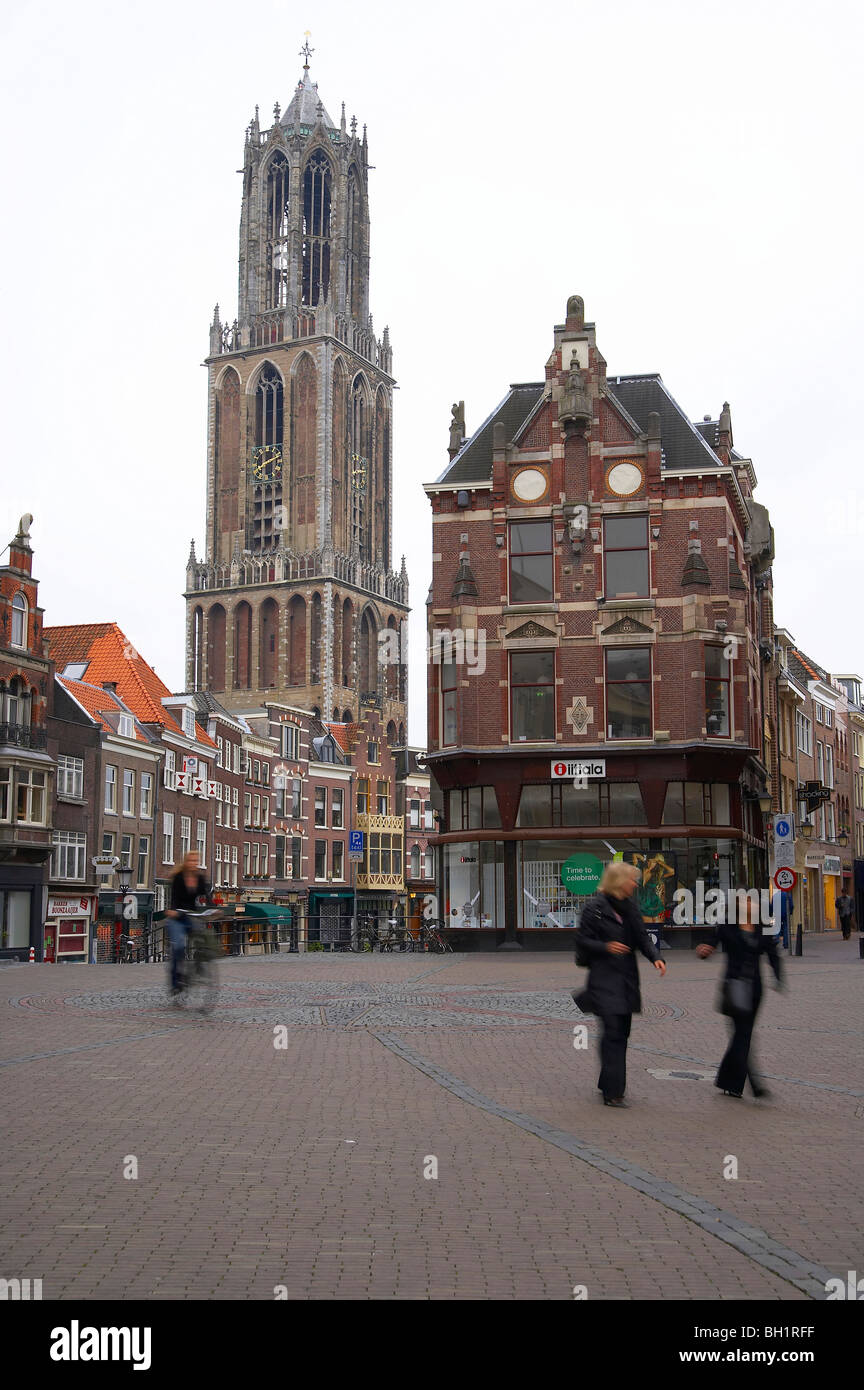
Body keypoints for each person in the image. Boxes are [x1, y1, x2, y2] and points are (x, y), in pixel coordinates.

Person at [574, 861, 667, 1108]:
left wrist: (656, 958)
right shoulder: (594, 908)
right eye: (631, 880)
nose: (635, 884)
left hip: (625, 979)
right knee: (613, 1032)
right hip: (603, 979)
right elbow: (582, 942)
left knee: (621, 1033)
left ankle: (608, 1081)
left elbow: (642, 938)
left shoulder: (630, 908)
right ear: (619, 881)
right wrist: (606, 947)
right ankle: (613, 1092)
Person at [696, 895, 783, 1098]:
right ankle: (755, 1084)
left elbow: (773, 954)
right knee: (743, 1035)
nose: (750, 904)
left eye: (752, 901)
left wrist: (778, 977)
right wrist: (704, 951)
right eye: (745, 901)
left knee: (741, 1035)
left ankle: (728, 1082)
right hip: (734, 987)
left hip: (755, 989)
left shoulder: (762, 928)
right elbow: (710, 943)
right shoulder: (727, 926)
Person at [166, 852, 212, 996]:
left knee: (204, 939)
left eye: (196, 860)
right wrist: (173, 911)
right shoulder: (178, 878)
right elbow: (174, 899)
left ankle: (198, 967)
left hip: (191, 915)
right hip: (177, 917)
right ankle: (175, 981)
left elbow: (207, 896)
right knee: (178, 946)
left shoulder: (199, 878)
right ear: (186, 862)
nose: (194, 863)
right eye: (191, 860)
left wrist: (213, 910)